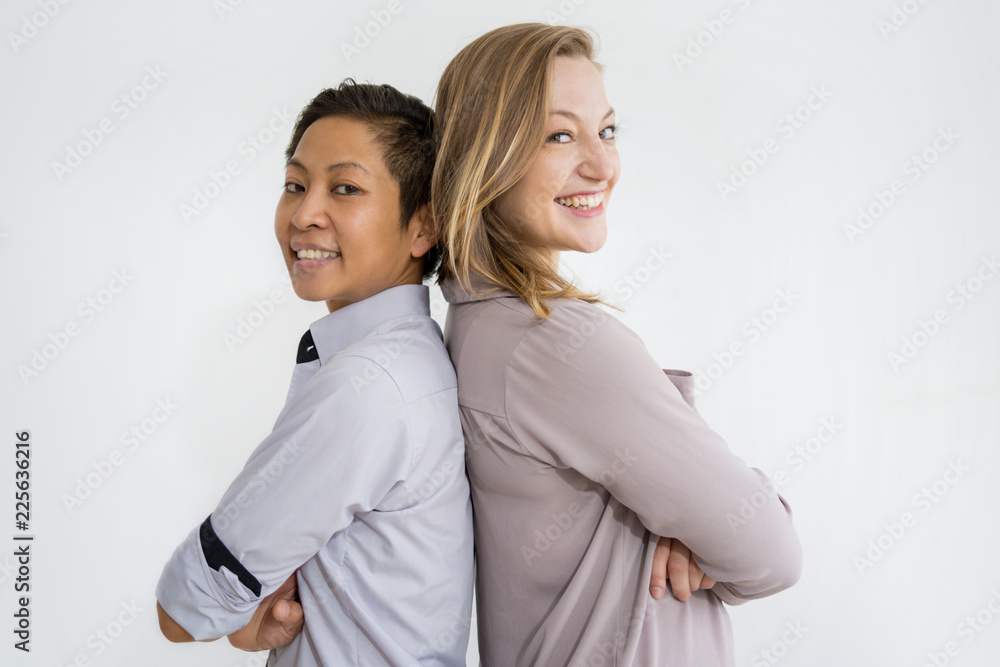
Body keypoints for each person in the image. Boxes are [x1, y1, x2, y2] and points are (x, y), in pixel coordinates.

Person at [432, 23, 803, 666]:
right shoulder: (556, 345)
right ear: (485, 157)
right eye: (559, 136)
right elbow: (772, 553)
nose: (602, 166)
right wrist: (707, 530)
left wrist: (698, 530)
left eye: (606, 131)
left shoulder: (476, 324)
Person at [154, 80, 474, 666]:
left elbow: (183, 610)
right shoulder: (409, 359)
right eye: (295, 185)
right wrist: (252, 616)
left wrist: (238, 615)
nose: (303, 214)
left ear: (423, 228)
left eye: (345, 188)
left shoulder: (368, 387)